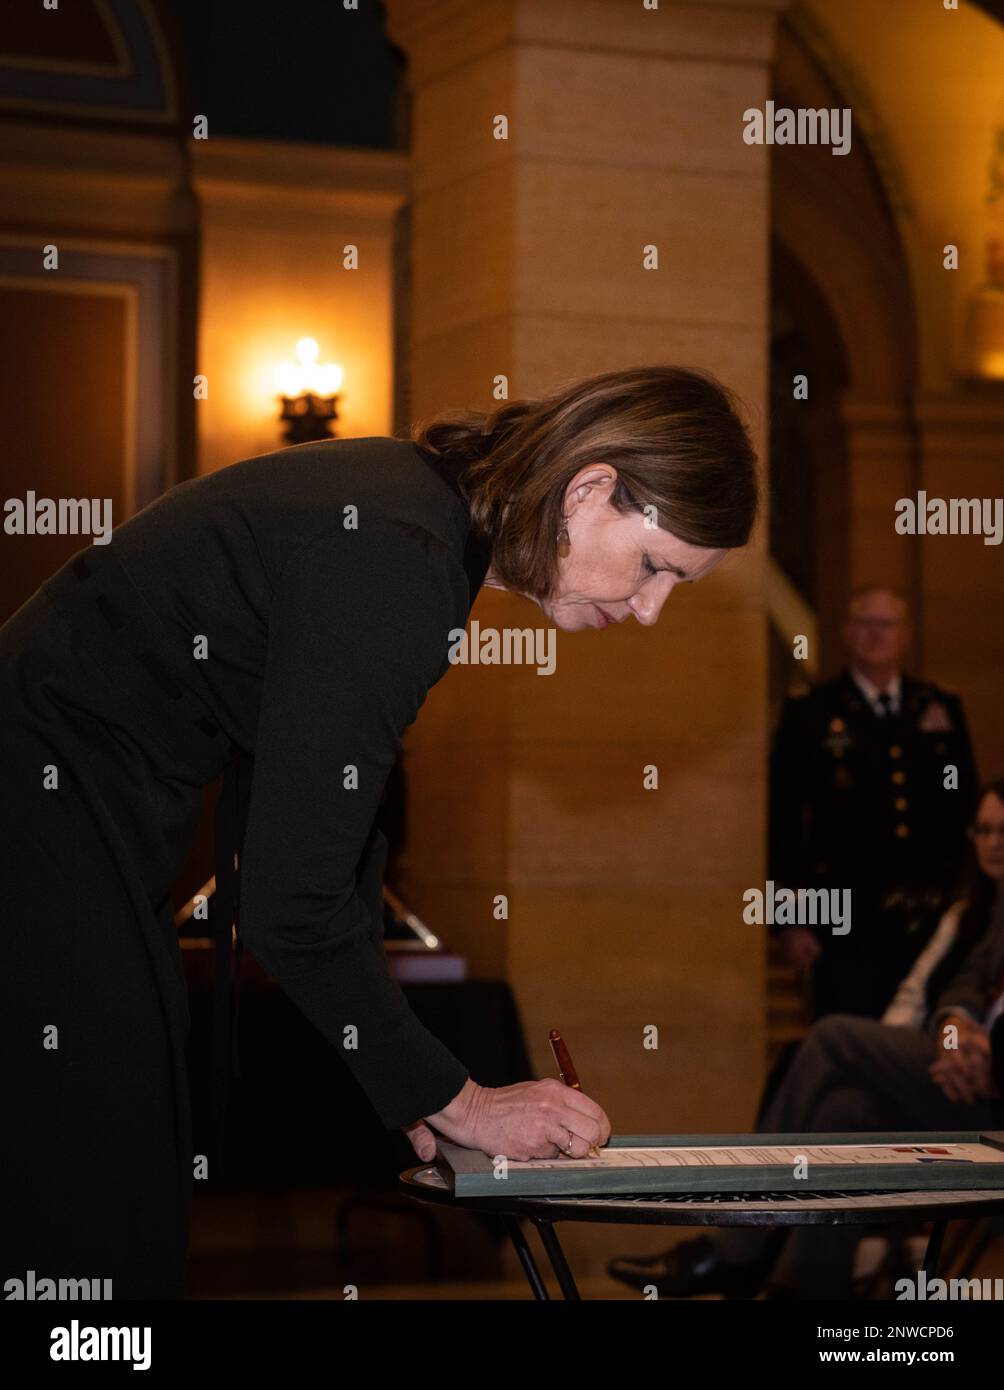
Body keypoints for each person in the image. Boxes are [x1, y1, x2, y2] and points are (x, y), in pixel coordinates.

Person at [0, 365, 758, 1298]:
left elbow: (334, 845)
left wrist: (417, 1084)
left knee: (113, 1175)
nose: (649, 611)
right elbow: (296, 903)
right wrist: (462, 1100)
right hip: (42, 819)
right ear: (591, 488)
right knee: (91, 1200)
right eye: (654, 568)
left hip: (78, 824)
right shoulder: (399, 551)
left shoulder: (418, 515)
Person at [608, 780, 1004, 1300]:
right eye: (985, 829)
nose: (994, 841)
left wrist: (990, 1058)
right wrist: (954, 1033)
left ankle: (735, 1244)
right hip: (965, 1082)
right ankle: (802, 1288)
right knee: (844, 1109)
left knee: (831, 1036)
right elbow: (965, 986)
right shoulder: (988, 907)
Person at [770, 586, 978, 1019]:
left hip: (927, 915)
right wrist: (789, 917)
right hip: (844, 922)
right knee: (845, 1047)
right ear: (847, 632)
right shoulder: (812, 713)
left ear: (905, 635)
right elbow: (785, 821)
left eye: (887, 625)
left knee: (921, 1052)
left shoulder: (938, 707)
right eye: (866, 623)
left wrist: (971, 900)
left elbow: (964, 806)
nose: (876, 635)